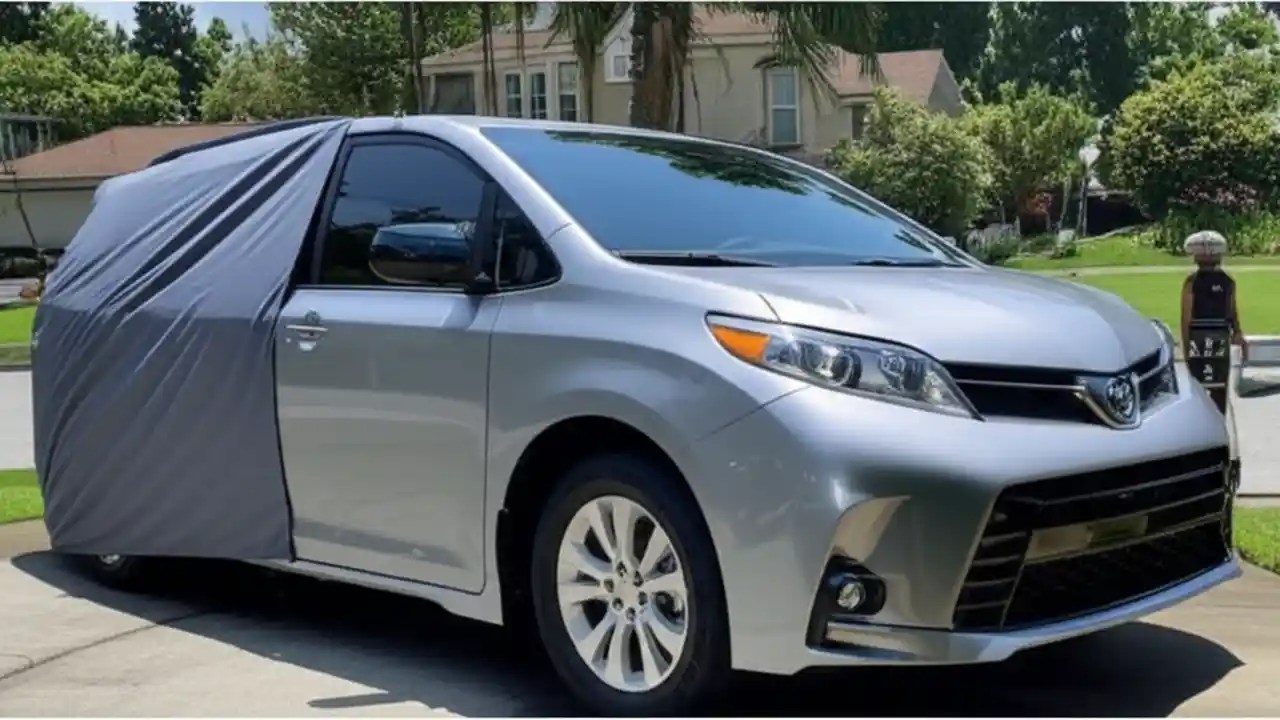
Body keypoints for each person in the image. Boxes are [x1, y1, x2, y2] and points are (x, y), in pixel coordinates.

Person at [1181, 230, 1247, 364]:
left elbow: (1185, 318)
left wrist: (1186, 348)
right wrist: (1237, 332)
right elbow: (1232, 312)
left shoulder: (1191, 282)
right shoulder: (1228, 281)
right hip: (1220, 333)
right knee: (1220, 372)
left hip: (1198, 335)